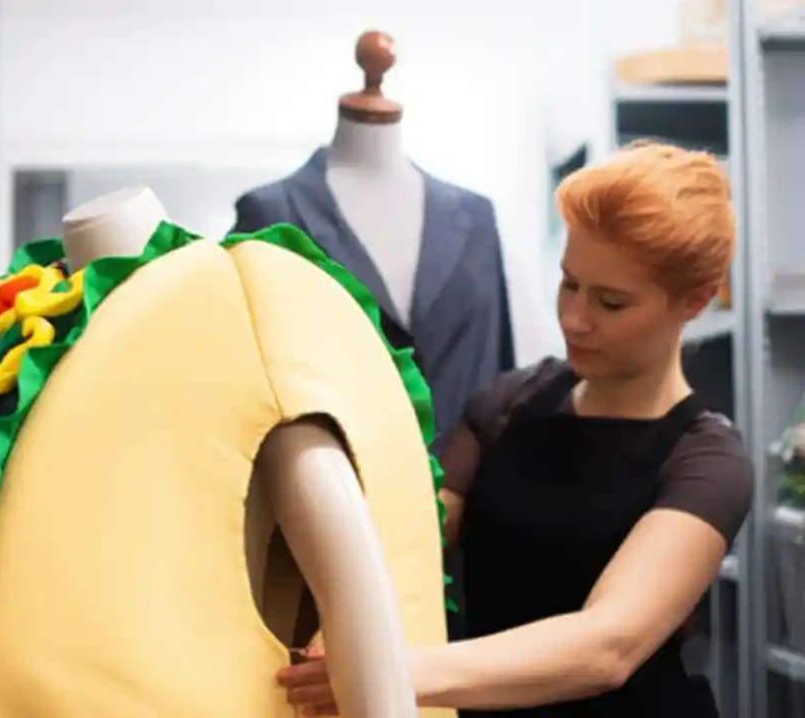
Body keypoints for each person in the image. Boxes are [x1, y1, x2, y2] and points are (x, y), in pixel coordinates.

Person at [276, 140, 753, 717]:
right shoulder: (507, 405)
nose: (574, 318)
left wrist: (381, 668)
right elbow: (408, 544)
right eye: (569, 283)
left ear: (694, 302)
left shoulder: (708, 460)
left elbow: (609, 645)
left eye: (611, 302)